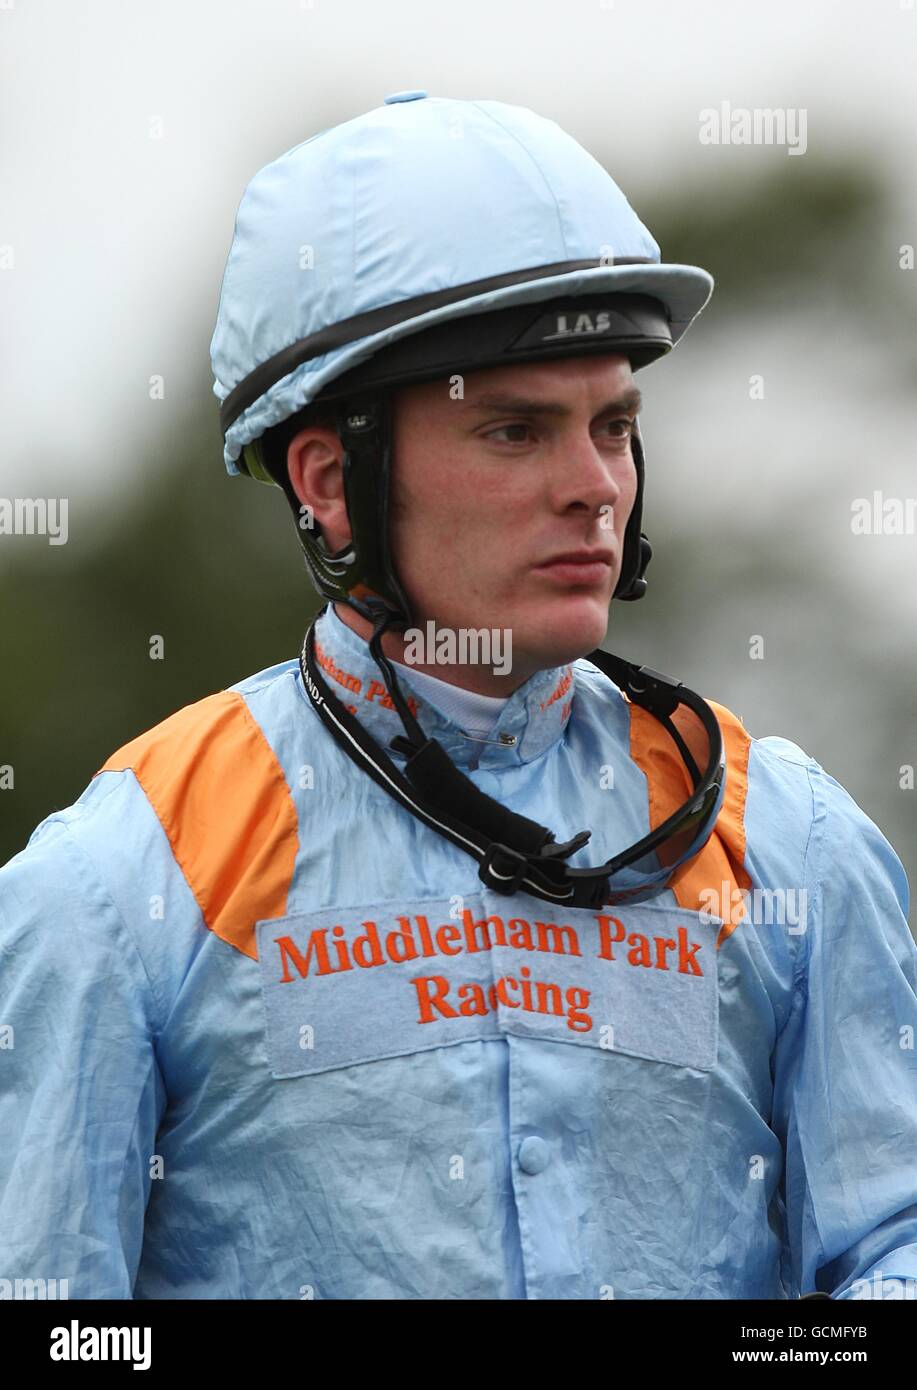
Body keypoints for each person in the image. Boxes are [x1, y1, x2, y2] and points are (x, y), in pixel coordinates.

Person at [1, 91, 916, 1302]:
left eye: (612, 426)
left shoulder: (785, 836)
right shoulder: (124, 877)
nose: (594, 486)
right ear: (330, 480)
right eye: (515, 432)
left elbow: (886, 1257)